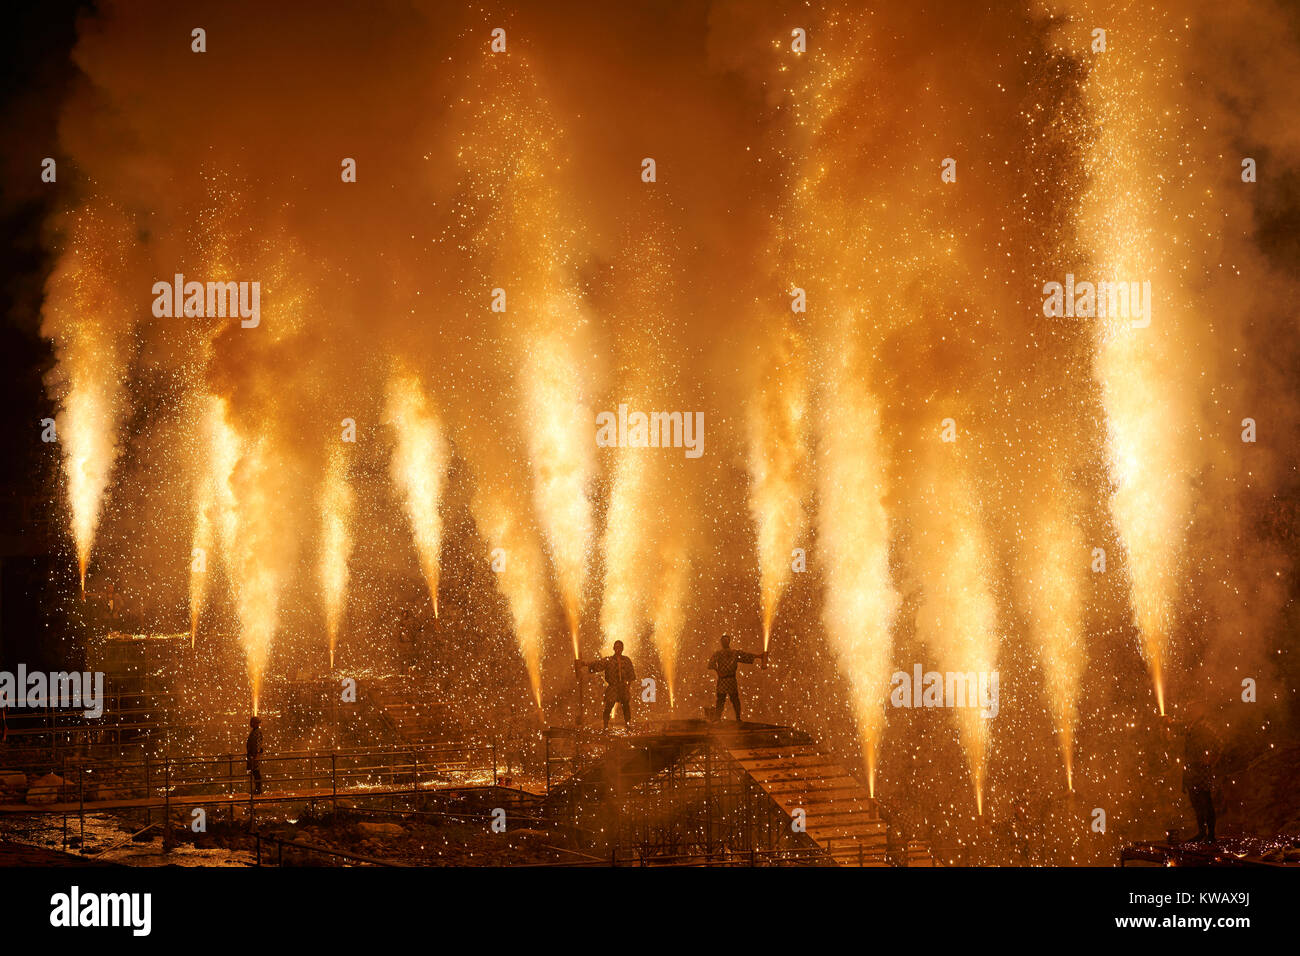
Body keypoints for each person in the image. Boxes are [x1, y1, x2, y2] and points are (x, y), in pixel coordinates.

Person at [1180, 709, 1221, 843]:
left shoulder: (1205, 726)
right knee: (1196, 802)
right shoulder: (1192, 725)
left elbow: (1220, 742)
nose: (1188, 711)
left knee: (1205, 801)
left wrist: (1211, 759)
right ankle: (1202, 832)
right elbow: (1178, 725)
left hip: (1201, 770)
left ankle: (1211, 835)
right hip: (1191, 769)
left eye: (1191, 709)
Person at [708, 633, 767, 722]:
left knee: (734, 700)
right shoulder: (719, 654)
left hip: (731, 680)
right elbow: (711, 664)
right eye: (723, 641)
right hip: (723, 680)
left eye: (726, 641)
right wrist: (718, 671)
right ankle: (718, 718)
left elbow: (745, 656)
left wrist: (759, 656)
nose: (725, 642)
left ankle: (738, 718)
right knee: (721, 700)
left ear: (728, 642)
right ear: (721, 642)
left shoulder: (734, 653)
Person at [587, 640, 636, 731]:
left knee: (626, 706)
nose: (618, 649)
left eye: (620, 647)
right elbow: (598, 664)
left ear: (622, 649)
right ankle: (605, 725)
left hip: (623, 686)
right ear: (613, 648)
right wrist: (586, 664)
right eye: (616, 647)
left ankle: (628, 724)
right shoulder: (608, 660)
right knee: (609, 706)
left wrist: (628, 686)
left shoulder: (626, 660)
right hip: (613, 687)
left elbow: (631, 675)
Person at [246, 716, 265, 795]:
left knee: (256, 772)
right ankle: (257, 789)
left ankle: (258, 789)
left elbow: (257, 744)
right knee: (254, 772)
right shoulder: (255, 731)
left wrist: (256, 754)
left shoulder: (257, 732)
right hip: (253, 755)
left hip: (254, 756)